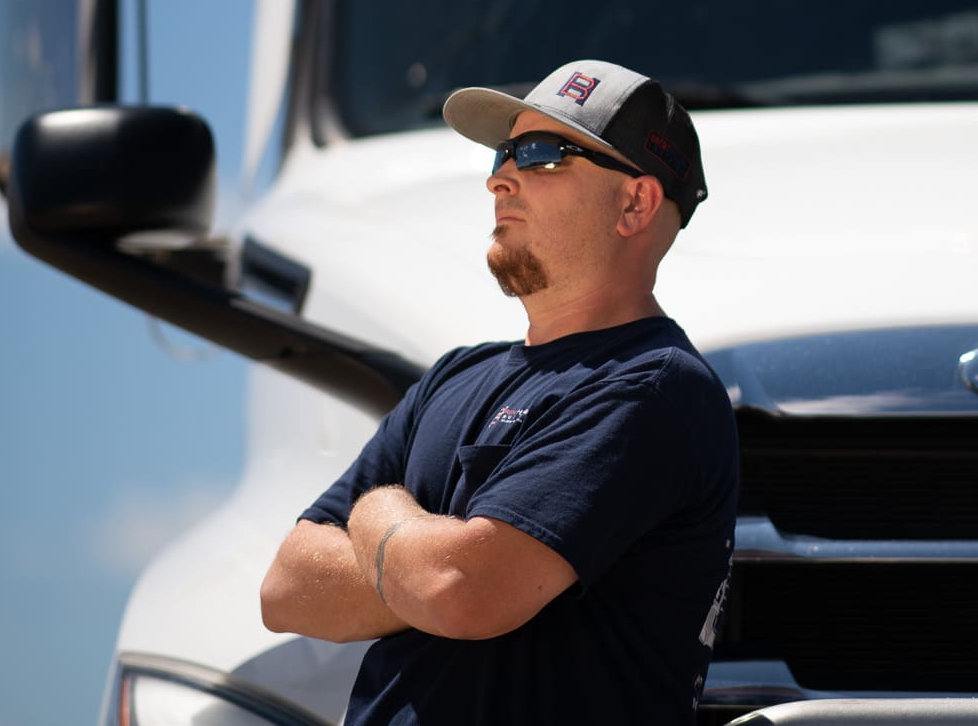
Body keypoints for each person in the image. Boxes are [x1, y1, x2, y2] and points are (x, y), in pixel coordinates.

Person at [259, 60, 738, 725]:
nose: (498, 178)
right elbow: (285, 589)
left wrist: (377, 510)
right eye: (503, 153)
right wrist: (424, 561)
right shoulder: (452, 377)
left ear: (636, 203)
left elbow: (460, 591)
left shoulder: (654, 387)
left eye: (542, 154)